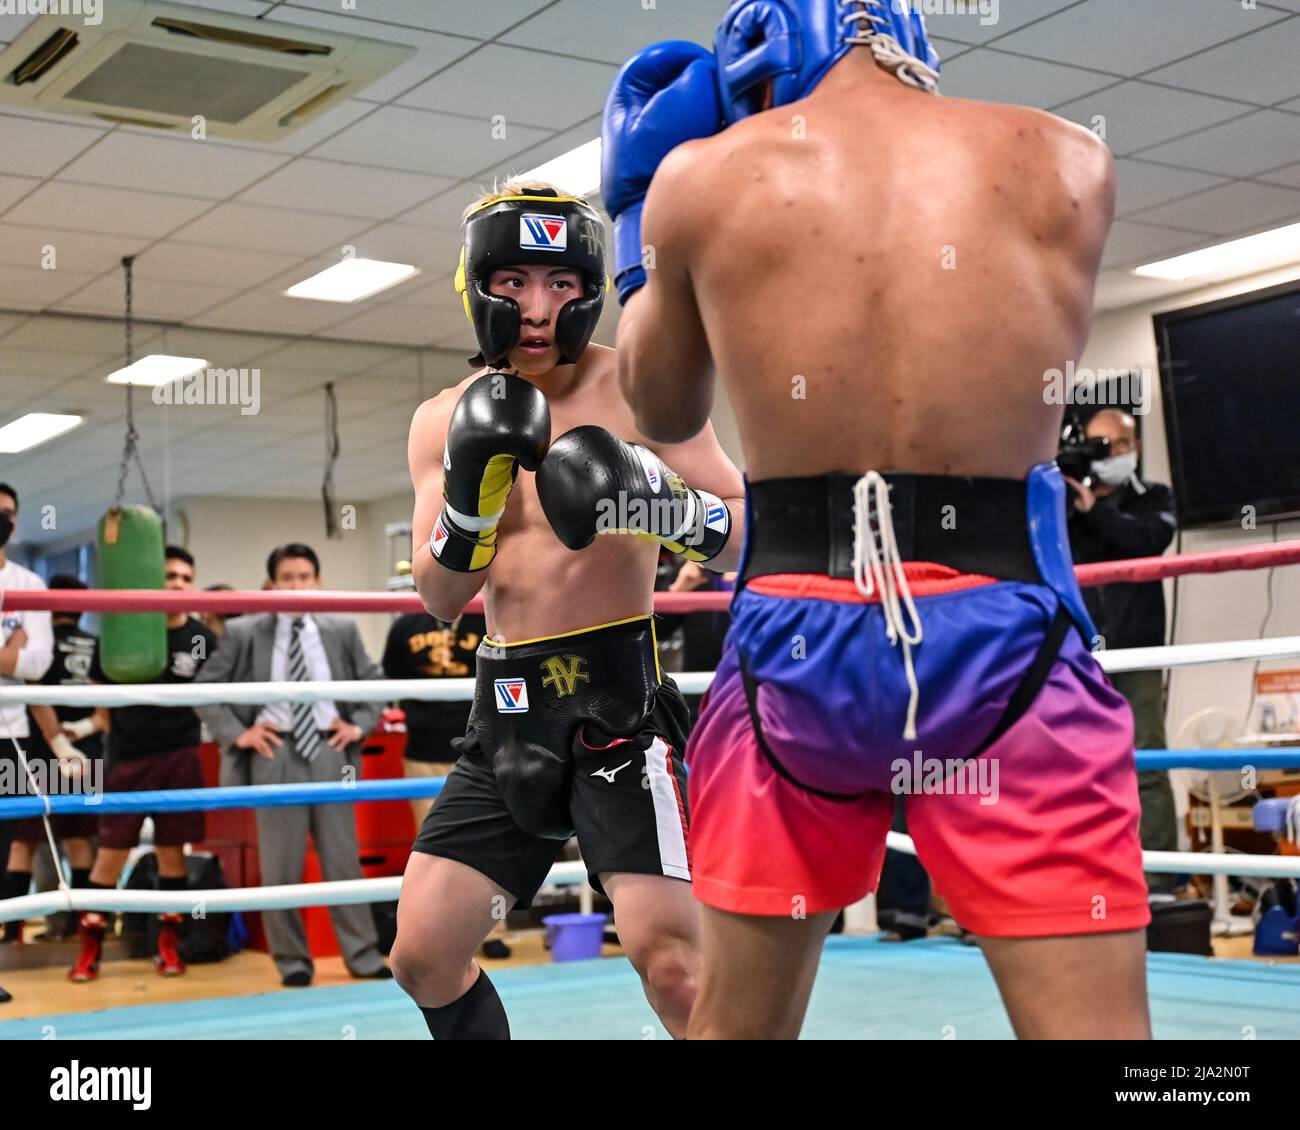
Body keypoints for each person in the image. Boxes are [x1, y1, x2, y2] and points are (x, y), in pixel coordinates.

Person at [604, 0, 1150, 1038]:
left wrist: (643, 230)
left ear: (753, 59)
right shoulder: (1068, 157)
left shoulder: (704, 178)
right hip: (1010, 637)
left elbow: (662, 408)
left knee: (734, 1031)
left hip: (793, 648)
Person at [390, 180, 745, 1040]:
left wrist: (659, 503)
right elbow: (438, 597)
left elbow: (743, 540)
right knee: (424, 953)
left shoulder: (639, 386)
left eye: (562, 284)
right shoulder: (443, 420)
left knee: (673, 961)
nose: (540, 307)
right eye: (515, 282)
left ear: (591, 290)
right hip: (506, 713)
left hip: (620, 707)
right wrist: (473, 499)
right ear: (477, 288)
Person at [194, 543, 390, 986]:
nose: (297, 585)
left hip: (329, 751)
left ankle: (362, 956)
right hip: (273, 754)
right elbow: (204, 687)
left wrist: (358, 726)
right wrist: (237, 733)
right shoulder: (246, 631)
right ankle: (293, 962)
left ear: (318, 581)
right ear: (272, 584)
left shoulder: (340, 627)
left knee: (343, 863)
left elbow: (375, 683)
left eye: (305, 576)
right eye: (288, 577)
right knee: (280, 869)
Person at [71, 546, 217, 982]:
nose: (176, 583)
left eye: (185, 577)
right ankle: (88, 951)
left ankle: (167, 947)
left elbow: (215, 697)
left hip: (179, 757)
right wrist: (110, 729)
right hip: (128, 758)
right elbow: (97, 685)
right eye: (169, 575)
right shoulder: (125, 630)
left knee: (173, 856)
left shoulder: (201, 637)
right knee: (110, 857)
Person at [1067, 407, 1179, 894]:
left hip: (1135, 652)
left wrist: (1097, 508)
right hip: (1077, 655)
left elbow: (1147, 541)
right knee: (1077, 767)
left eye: (1115, 445)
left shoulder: (1154, 497)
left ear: (1133, 447)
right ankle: (1089, 875)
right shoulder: (1065, 503)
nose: (1106, 454)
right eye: (1097, 445)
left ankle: (1160, 880)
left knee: (1146, 763)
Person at [382, 608, 511, 959]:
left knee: (485, 842)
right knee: (434, 849)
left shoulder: (484, 619)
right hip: (423, 748)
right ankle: (442, 933)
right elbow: (392, 676)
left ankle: (491, 931)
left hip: (481, 746)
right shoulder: (406, 624)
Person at [2, 575, 106, 944]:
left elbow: (31, 689)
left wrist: (56, 737)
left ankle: (10, 929)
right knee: (78, 840)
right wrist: (76, 731)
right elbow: (105, 709)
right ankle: (78, 928)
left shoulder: (35, 641)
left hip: (29, 748)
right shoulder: (96, 646)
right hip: (82, 752)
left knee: (20, 842)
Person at [0, 482, 54, 961]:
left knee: (1, 855)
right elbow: (21, 657)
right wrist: (8, 649)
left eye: (8, 513)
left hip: (9, 737)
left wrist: (14, 657)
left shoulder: (29, 586)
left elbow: (38, 665)